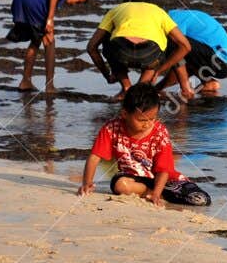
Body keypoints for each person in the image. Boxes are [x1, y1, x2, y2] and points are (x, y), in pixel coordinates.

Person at [76, 83, 210, 207]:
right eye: (141, 120)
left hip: (165, 181)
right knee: (120, 185)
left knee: (201, 199)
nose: (147, 124)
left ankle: (160, 192)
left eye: (152, 119)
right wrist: (87, 183)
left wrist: (157, 193)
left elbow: (164, 170)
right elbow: (94, 157)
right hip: (133, 179)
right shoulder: (111, 128)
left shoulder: (160, 133)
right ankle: (159, 194)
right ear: (124, 114)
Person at [86, 0, 191, 98]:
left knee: (107, 40)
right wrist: (159, 70)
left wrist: (107, 75)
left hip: (121, 52)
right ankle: (140, 88)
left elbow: (92, 47)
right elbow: (185, 46)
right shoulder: (159, 11)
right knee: (166, 43)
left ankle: (126, 87)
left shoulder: (116, 10)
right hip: (150, 56)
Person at [7, 0, 94, 94]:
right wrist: (50, 18)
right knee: (50, 40)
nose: (74, 4)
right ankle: (49, 86)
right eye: (78, 1)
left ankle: (25, 81)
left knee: (36, 41)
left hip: (19, 1)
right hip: (33, 3)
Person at [166, 7, 227, 99]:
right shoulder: (182, 15)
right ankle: (208, 82)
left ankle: (186, 90)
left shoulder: (173, 18)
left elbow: (178, 54)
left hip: (220, 62)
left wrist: (157, 75)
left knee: (176, 45)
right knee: (183, 51)